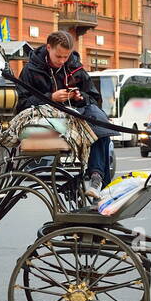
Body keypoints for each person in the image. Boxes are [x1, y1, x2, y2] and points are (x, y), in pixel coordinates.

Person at [15, 30, 111, 193]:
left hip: (75, 117)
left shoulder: (76, 68)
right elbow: (21, 103)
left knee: (101, 127)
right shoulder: (30, 70)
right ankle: (99, 180)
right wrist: (51, 97)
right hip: (47, 120)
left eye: (65, 57)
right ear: (48, 48)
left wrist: (80, 97)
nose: (62, 61)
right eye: (58, 56)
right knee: (96, 127)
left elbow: (94, 98)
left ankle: (96, 178)